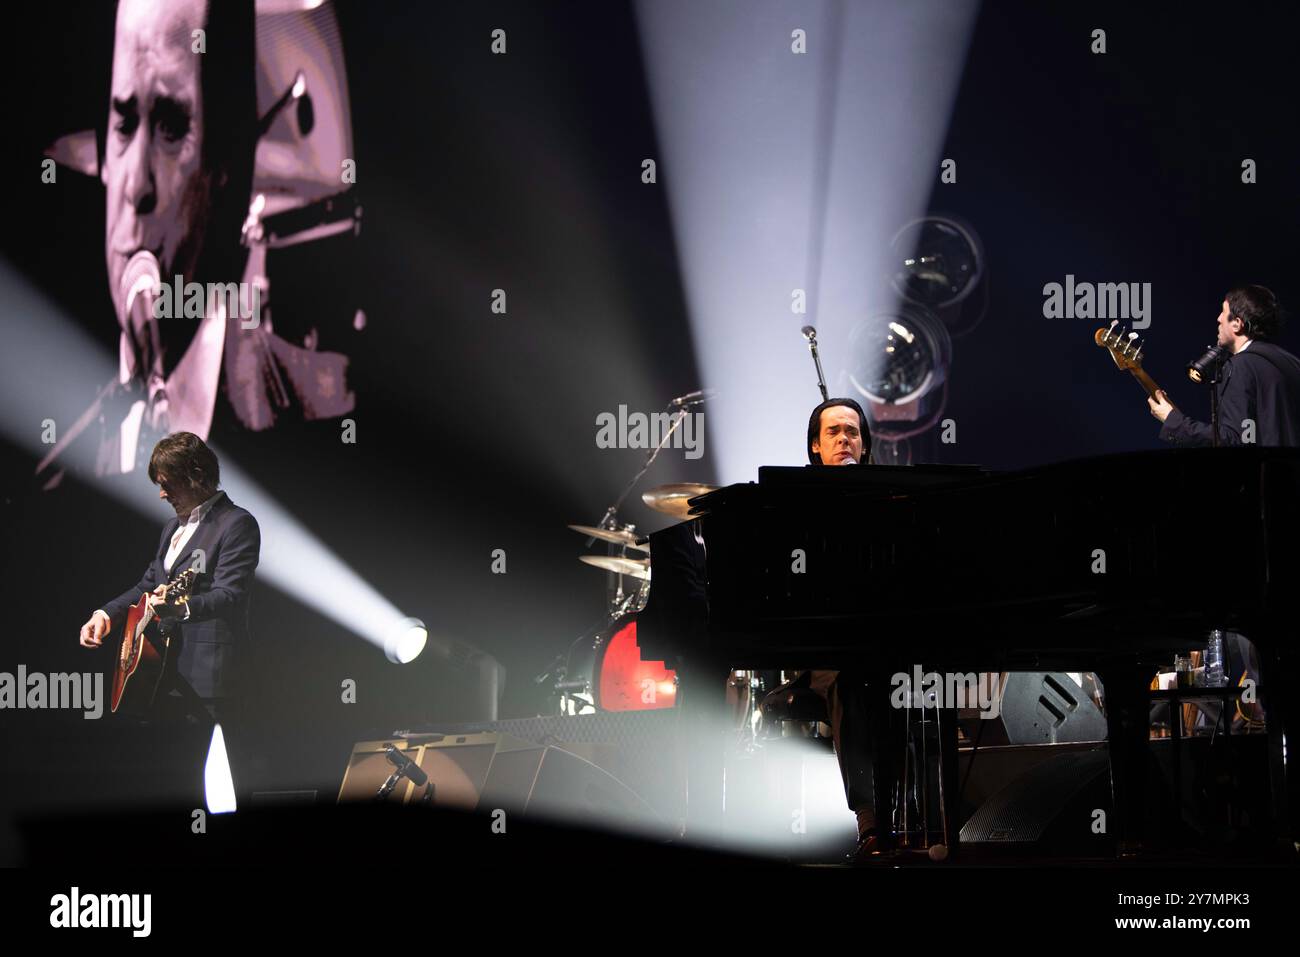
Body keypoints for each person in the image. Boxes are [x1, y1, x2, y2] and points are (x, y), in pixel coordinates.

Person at [37, 0, 353, 483]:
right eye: (123, 125)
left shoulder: (316, 417)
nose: (136, 187)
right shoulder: (47, 406)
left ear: (230, 168)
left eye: (171, 130)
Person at [79, 431, 261, 806]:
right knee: (176, 783)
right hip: (166, 674)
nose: (162, 494)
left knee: (227, 786)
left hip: (211, 676)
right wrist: (106, 614)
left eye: (167, 484)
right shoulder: (171, 529)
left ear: (196, 476)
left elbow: (230, 594)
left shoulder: (236, 524)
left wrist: (179, 607)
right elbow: (149, 584)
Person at [763, 397, 885, 861]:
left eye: (852, 432)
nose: (844, 440)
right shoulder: (791, 505)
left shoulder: (890, 500)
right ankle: (870, 817)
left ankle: (933, 810)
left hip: (882, 637)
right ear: (815, 446)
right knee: (847, 673)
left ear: (865, 445)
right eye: (833, 432)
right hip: (819, 646)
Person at [1148, 286, 1300, 446]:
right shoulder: (1290, 363)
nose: (1219, 318)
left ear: (1237, 324)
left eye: (1223, 311)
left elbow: (1234, 440)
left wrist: (1174, 421)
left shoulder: (1241, 366)